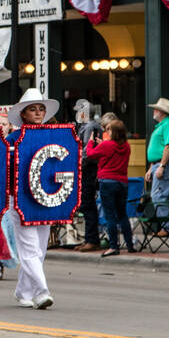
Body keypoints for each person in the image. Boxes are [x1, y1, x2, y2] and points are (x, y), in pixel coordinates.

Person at [4, 88, 59, 308]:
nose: (38, 113)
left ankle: (23, 290)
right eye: (33, 109)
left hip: (45, 198)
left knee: (40, 249)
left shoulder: (53, 135)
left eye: (41, 109)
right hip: (20, 198)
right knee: (29, 247)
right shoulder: (12, 138)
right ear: (23, 114)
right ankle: (41, 291)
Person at [87, 118, 134, 257]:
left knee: (110, 215)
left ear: (114, 132)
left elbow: (90, 154)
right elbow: (111, 150)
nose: (106, 131)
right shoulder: (126, 146)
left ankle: (114, 246)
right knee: (122, 214)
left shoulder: (106, 146)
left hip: (107, 182)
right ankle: (130, 245)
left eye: (108, 129)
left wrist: (91, 141)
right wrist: (103, 144)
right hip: (122, 182)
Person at [145, 97, 169, 236]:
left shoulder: (168, 125)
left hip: (164, 164)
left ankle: (168, 227)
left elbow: (168, 146)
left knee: (160, 195)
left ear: (162, 112)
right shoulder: (162, 125)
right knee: (158, 195)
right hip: (158, 164)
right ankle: (166, 226)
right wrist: (151, 167)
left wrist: (162, 166)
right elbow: (159, 148)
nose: (154, 111)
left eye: (156, 109)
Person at [72, 99, 102, 251]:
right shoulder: (87, 126)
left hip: (89, 169)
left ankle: (92, 238)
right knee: (86, 203)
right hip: (88, 168)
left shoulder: (90, 126)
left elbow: (87, 151)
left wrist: (78, 165)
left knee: (87, 203)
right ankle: (90, 238)